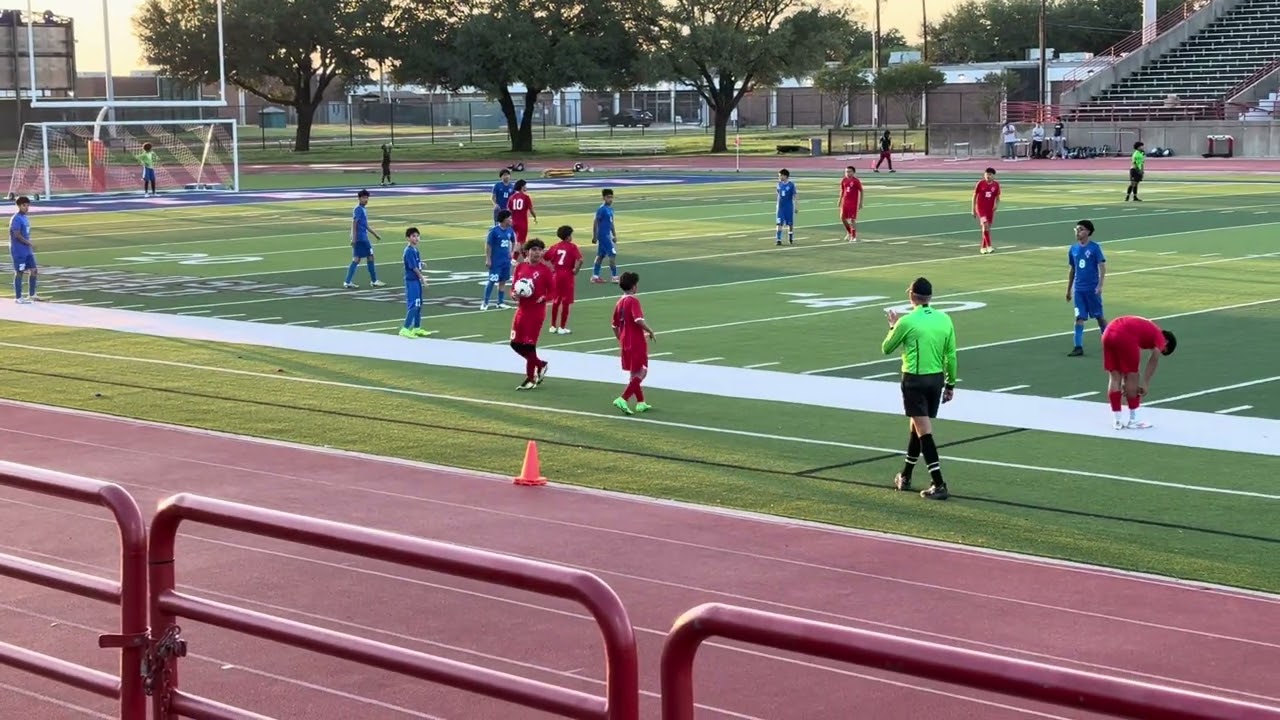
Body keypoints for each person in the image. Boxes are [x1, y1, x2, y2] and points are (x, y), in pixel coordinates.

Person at [881, 277, 958, 500]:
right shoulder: (945, 319)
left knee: (924, 431)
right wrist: (951, 384)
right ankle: (905, 476)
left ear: (911, 296)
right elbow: (951, 355)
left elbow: (887, 348)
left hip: (914, 379)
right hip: (935, 380)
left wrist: (893, 325)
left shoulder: (907, 321)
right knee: (916, 427)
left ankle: (938, 482)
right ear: (930, 297)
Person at [1100, 315, 1176, 430]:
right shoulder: (1159, 336)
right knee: (1133, 376)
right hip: (1124, 336)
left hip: (1108, 332)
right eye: (1163, 350)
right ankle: (1133, 420)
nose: (1160, 350)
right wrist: (1145, 382)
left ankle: (1117, 420)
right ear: (1166, 342)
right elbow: (1154, 358)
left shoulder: (1148, 327)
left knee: (1114, 377)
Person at [510, 238, 554, 390]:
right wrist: (514, 294)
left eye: (539, 250)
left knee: (529, 346)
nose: (537, 252)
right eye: (534, 249)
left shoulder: (545, 271)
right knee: (515, 344)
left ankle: (530, 378)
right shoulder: (520, 267)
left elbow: (553, 292)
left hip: (536, 312)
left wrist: (544, 298)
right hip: (521, 310)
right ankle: (541, 365)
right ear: (527, 251)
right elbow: (514, 287)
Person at [612, 271, 655, 415]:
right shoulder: (633, 301)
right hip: (636, 342)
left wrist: (622, 338)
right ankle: (623, 398)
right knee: (642, 371)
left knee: (633, 372)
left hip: (625, 341)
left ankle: (641, 402)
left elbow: (614, 326)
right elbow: (638, 320)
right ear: (634, 286)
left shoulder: (619, 302)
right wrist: (650, 330)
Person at [1066, 219, 1108, 357]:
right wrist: (1069, 290)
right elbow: (1072, 269)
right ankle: (1078, 346)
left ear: (1088, 232)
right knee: (1079, 317)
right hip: (1079, 290)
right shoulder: (1073, 249)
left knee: (1099, 317)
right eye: (1077, 229)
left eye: (1081, 229)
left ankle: (1110, 340)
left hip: (1092, 289)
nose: (1078, 232)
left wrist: (1100, 285)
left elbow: (1101, 266)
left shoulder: (1095, 248)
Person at [343, 189, 384, 289]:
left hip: (361, 237)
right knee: (370, 256)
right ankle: (374, 280)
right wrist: (354, 237)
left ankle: (347, 281)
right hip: (361, 238)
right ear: (359, 198)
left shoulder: (362, 209)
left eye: (367, 198)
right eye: (364, 198)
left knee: (357, 259)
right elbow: (354, 223)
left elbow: (365, 225)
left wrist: (375, 234)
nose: (366, 200)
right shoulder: (358, 209)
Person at [547, 225, 582, 334]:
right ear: (568, 236)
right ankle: (562, 327)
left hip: (556, 275)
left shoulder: (555, 246)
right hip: (567, 275)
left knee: (556, 301)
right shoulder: (572, 247)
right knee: (566, 302)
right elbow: (580, 260)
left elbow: (545, 257)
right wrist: (576, 270)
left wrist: (551, 268)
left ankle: (553, 326)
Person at [399, 227, 434, 338]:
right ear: (408, 238)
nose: (416, 238)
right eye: (413, 236)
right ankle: (405, 328)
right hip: (412, 281)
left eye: (417, 236)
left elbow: (416, 263)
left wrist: (421, 263)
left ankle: (417, 328)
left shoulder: (415, 250)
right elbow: (413, 267)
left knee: (419, 305)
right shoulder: (409, 251)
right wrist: (422, 278)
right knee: (414, 305)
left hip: (416, 281)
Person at [482, 210, 516, 309]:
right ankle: (485, 302)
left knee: (503, 281)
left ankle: (500, 302)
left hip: (506, 260)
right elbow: (488, 245)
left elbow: (514, 241)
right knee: (492, 280)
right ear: (504, 219)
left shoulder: (510, 230)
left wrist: (512, 252)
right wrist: (488, 259)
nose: (511, 220)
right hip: (496, 260)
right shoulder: (494, 231)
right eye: (509, 218)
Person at [9, 196, 38, 303]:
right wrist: (29, 243)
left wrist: (28, 244)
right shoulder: (16, 218)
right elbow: (17, 235)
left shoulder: (25, 218)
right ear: (19, 206)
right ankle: (18, 297)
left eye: (28, 205)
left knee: (34, 270)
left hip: (27, 250)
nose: (26, 207)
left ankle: (32, 294)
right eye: (24, 205)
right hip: (18, 250)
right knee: (20, 272)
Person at [591, 188, 619, 283]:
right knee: (612, 254)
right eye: (608, 197)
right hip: (603, 236)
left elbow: (611, 223)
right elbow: (596, 222)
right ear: (603, 198)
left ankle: (595, 276)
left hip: (607, 235)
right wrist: (595, 236)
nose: (610, 199)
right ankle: (615, 277)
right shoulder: (601, 209)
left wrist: (614, 235)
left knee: (601, 255)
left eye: (611, 197)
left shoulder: (611, 209)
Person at [973, 167, 1000, 254]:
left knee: (987, 228)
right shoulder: (980, 183)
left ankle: (983, 247)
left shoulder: (996, 185)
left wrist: (996, 204)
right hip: (981, 208)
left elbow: (997, 197)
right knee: (985, 225)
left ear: (993, 176)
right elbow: (974, 196)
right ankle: (989, 246)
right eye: (986, 174)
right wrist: (973, 209)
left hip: (990, 208)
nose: (988, 176)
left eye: (990, 174)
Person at [508, 179, 537, 261]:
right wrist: (535, 217)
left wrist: (509, 220)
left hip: (514, 222)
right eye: (525, 186)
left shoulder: (512, 197)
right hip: (522, 222)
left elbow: (509, 210)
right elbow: (531, 209)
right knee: (520, 242)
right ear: (522, 187)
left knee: (522, 241)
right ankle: (514, 259)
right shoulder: (526, 197)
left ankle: (526, 258)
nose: (526, 187)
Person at [838, 166, 863, 242]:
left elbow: (861, 191)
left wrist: (860, 203)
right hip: (845, 202)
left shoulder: (856, 181)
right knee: (842, 217)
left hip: (853, 203)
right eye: (846, 172)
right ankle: (849, 232)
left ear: (853, 172)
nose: (847, 173)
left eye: (849, 171)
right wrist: (839, 200)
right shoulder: (844, 180)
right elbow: (842, 190)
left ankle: (854, 236)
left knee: (852, 219)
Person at [775, 169, 797, 246]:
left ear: (785, 176)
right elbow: (778, 194)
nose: (779, 177)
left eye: (780, 175)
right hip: (780, 208)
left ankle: (790, 237)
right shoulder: (778, 184)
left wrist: (796, 206)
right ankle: (778, 239)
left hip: (789, 207)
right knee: (779, 223)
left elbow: (794, 196)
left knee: (790, 224)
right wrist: (777, 205)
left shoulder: (791, 185)